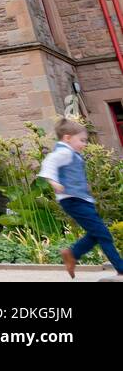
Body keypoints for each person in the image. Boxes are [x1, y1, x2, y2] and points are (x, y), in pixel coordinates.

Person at [39, 117, 123, 280]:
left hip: (80, 200)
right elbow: (48, 164)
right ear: (67, 138)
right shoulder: (63, 152)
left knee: (96, 233)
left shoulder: (72, 153)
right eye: (82, 140)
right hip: (72, 200)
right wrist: (53, 182)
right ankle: (120, 267)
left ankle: (72, 253)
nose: (84, 144)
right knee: (103, 234)